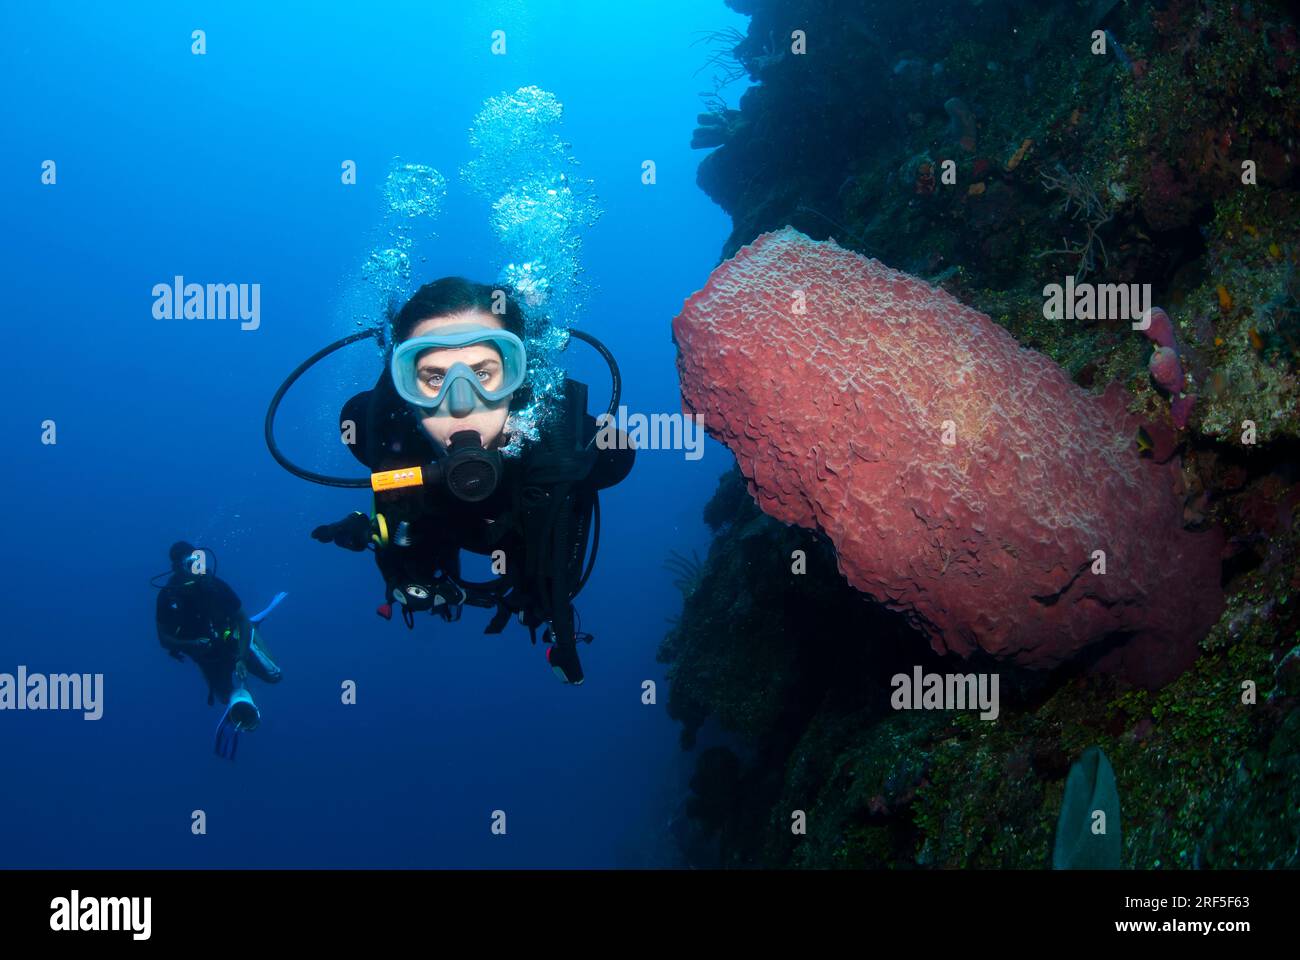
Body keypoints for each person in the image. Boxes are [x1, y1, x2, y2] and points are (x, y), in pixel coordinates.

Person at [308, 278, 634, 684]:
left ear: (518, 374)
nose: (461, 403)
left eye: (483, 372)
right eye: (432, 378)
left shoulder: (571, 444)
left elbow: (616, 458)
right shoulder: (382, 432)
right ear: (403, 384)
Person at [154, 541, 283, 758]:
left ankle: (252, 638)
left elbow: (241, 619)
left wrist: (242, 658)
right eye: (190, 563)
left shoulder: (215, 586)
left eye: (198, 560)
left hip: (232, 639)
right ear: (177, 567)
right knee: (225, 697)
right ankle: (244, 704)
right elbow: (164, 639)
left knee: (274, 676)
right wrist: (190, 645)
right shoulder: (168, 597)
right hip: (207, 656)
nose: (197, 567)